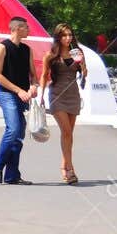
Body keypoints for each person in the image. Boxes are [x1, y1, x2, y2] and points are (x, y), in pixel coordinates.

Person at [0, 16, 39, 186]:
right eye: (26, 27)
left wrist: (34, 86)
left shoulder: (27, 49)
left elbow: (33, 74)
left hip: (24, 95)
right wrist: (18, 90)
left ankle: (12, 175)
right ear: (18, 28)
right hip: (8, 95)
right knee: (14, 129)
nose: (29, 30)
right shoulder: (2, 47)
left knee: (18, 136)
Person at [39, 22, 85, 185]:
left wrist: (81, 63)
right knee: (66, 131)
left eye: (70, 35)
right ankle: (69, 168)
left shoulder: (77, 53)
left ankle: (63, 165)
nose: (68, 38)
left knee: (69, 134)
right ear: (58, 37)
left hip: (73, 95)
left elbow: (84, 74)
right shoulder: (50, 55)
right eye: (64, 35)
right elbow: (44, 76)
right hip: (57, 95)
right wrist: (41, 96)